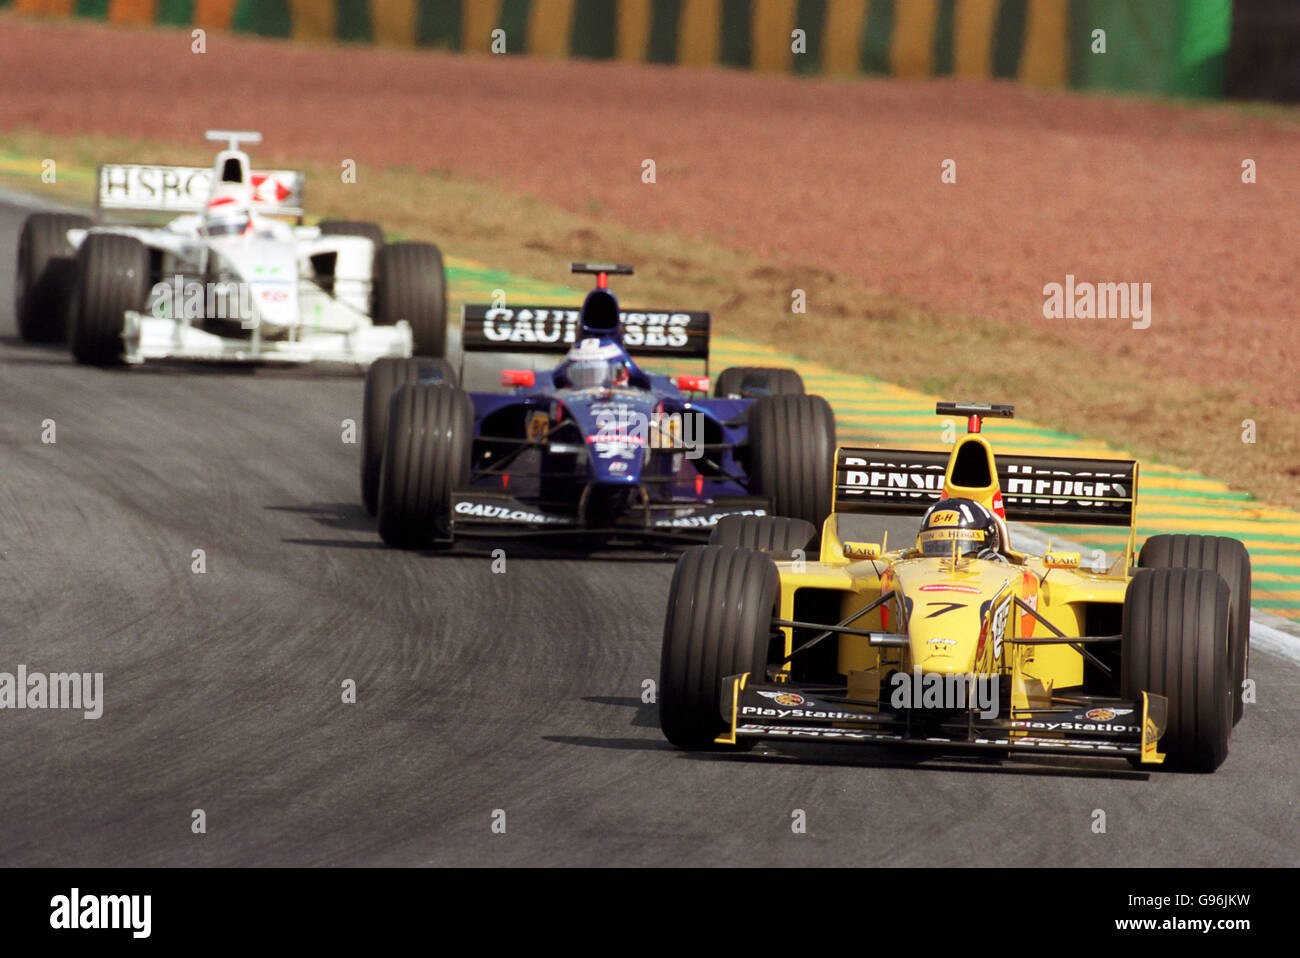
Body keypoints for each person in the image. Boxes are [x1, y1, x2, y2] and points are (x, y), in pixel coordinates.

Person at [915, 498, 1008, 561]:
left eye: (959, 545)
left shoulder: (1001, 568)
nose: (948, 557)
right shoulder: (907, 565)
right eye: (939, 547)